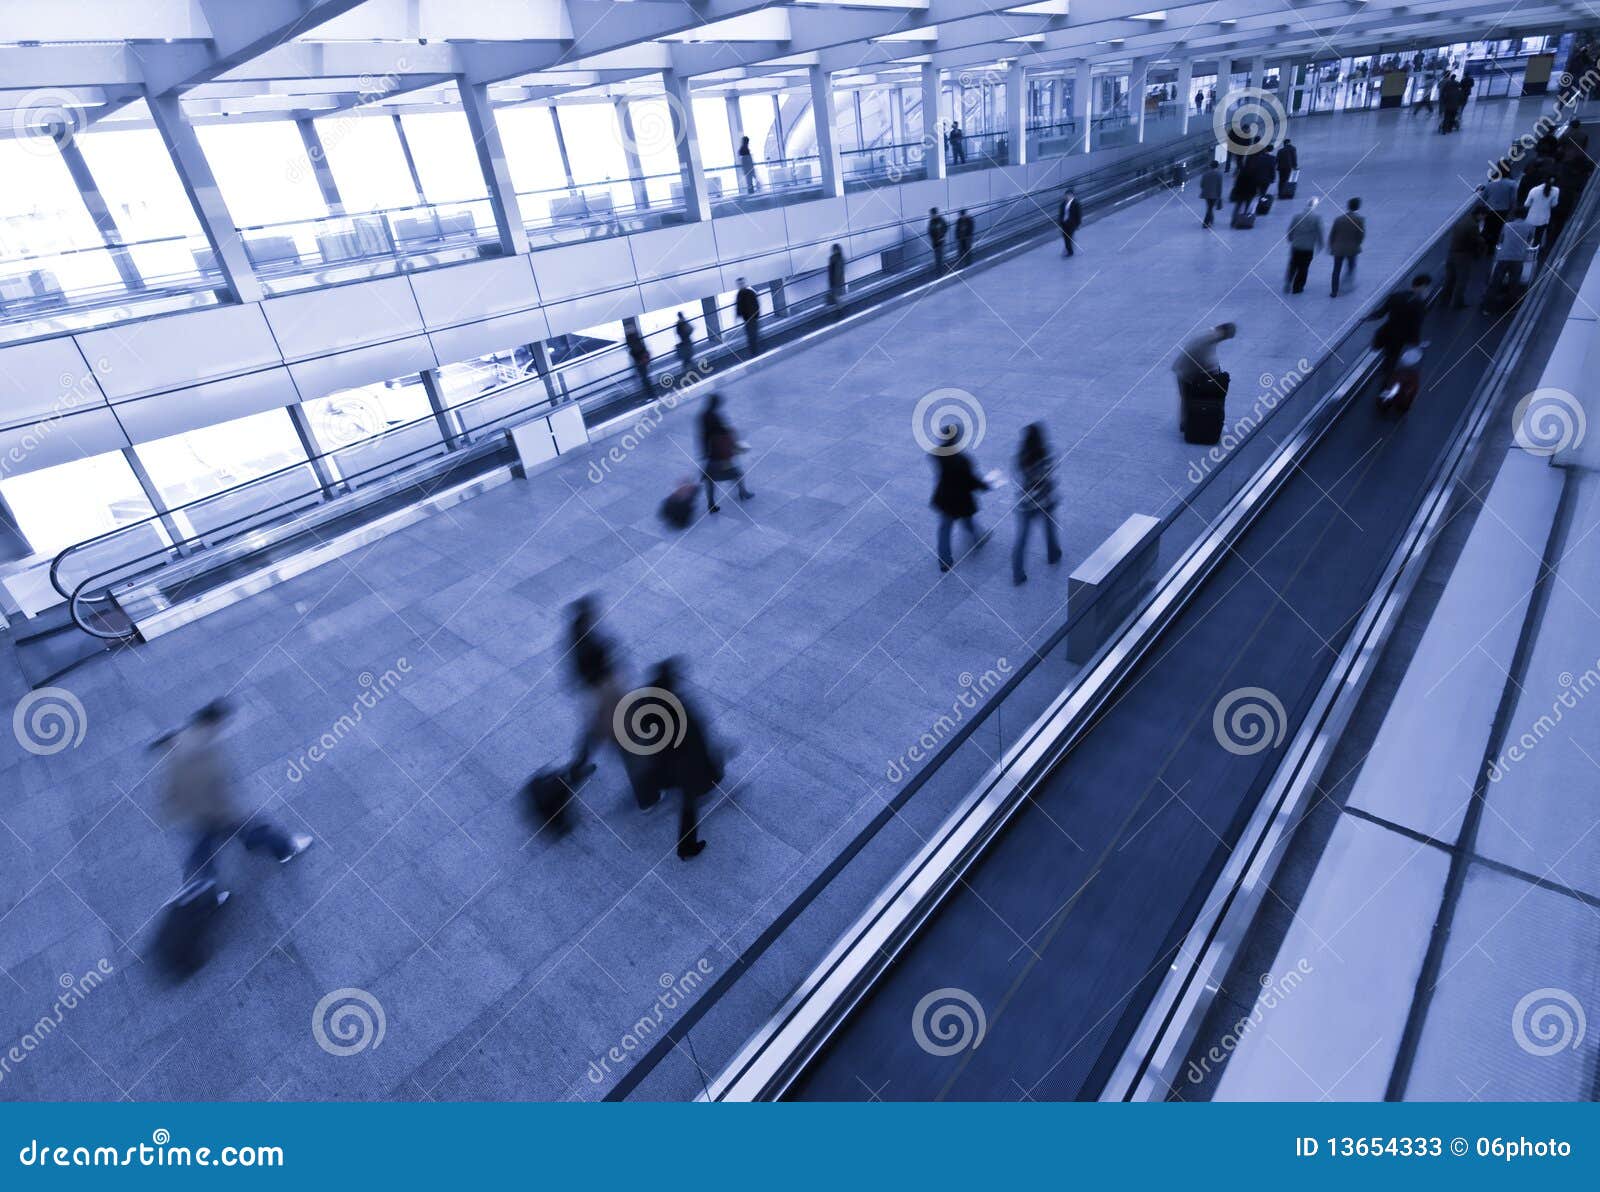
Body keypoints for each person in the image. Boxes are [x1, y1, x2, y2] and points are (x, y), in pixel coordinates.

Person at [160, 700, 312, 888]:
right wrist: (232, 813)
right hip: (213, 811)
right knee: (252, 827)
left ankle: (202, 885)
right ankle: (286, 849)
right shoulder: (206, 753)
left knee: (203, 846)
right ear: (214, 722)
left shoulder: (183, 737)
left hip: (189, 810)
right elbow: (214, 791)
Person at [642, 657, 721, 860]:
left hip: (663, 762)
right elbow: (694, 743)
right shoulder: (677, 710)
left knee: (676, 790)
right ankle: (686, 847)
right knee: (689, 805)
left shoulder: (649, 700)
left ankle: (651, 794)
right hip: (684, 766)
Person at [929, 424, 990, 573]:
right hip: (961, 499)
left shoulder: (937, 454)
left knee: (945, 529)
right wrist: (984, 485)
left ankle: (944, 560)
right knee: (967, 520)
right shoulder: (963, 460)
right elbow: (971, 481)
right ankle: (978, 539)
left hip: (945, 498)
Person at [1011, 423, 1062, 586]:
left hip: (1026, 503)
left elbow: (1018, 478)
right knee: (1049, 527)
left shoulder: (1020, 457)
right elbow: (1049, 473)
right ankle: (1053, 554)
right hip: (1045, 501)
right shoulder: (1046, 454)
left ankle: (1018, 573)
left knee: (1022, 539)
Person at [698, 393, 752, 513]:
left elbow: (703, 436)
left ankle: (711, 504)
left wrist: (704, 452)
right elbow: (724, 433)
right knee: (736, 473)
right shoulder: (715, 418)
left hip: (711, 454)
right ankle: (743, 492)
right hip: (720, 455)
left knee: (709, 479)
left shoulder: (703, 416)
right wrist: (734, 443)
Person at [1370, 274, 1431, 378]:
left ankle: (1385, 378)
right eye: (1427, 288)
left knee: (1389, 358)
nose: (1428, 291)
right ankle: (1390, 383)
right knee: (1399, 363)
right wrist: (1416, 343)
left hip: (1389, 333)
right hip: (1405, 339)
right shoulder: (1419, 304)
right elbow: (1416, 325)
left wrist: (1366, 318)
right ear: (1421, 287)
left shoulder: (1395, 296)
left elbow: (1381, 313)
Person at [1440, 209, 1484, 308]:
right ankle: (1456, 303)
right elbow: (1475, 241)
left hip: (1452, 253)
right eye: (1483, 216)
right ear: (1479, 214)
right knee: (1462, 280)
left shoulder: (1461, 222)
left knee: (1449, 278)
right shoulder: (1473, 225)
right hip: (1463, 255)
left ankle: (1443, 301)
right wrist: (1481, 245)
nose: (1483, 219)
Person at [1283, 197, 1324, 294]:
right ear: (1315, 205)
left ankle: (1288, 281)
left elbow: (1290, 229)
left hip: (1296, 245)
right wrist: (1320, 244)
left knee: (1293, 264)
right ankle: (1298, 287)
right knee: (1304, 267)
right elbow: (1319, 232)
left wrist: (1290, 238)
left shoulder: (1297, 216)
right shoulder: (1317, 218)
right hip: (1308, 247)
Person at [1328, 197, 1366, 297]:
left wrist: (1331, 245)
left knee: (1336, 269)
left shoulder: (1338, 219)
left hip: (1338, 248)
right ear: (1358, 207)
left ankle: (1334, 291)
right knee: (1351, 266)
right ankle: (1347, 284)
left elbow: (1332, 234)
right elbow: (1361, 235)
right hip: (1352, 248)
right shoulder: (1359, 219)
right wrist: (1358, 243)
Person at [1480, 164, 1518, 251]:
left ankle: (1484, 249)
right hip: (1503, 212)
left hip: (1490, 211)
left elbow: (1483, 198)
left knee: (1488, 230)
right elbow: (1513, 200)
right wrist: (1512, 214)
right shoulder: (1512, 184)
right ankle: (1493, 250)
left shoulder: (1490, 183)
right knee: (1498, 232)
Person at [1524, 177, 1559, 246]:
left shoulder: (1534, 190)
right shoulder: (1556, 191)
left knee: (1527, 237)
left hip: (1531, 218)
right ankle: (1535, 252)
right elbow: (1554, 204)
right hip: (1544, 219)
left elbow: (1526, 204)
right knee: (1538, 238)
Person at [624, 323, 652, 400]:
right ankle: (650, 394)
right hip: (642, 360)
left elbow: (635, 351)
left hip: (639, 361)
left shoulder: (632, 340)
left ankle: (650, 395)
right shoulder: (637, 338)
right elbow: (641, 348)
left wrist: (632, 354)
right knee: (645, 377)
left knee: (644, 378)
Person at [734, 278, 760, 355]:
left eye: (741, 283)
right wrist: (737, 316)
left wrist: (755, 316)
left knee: (752, 336)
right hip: (747, 319)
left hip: (752, 319)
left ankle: (754, 352)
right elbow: (739, 306)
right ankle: (754, 352)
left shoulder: (750, 293)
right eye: (739, 284)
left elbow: (756, 306)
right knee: (751, 336)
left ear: (744, 283)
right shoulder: (740, 294)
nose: (740, 285)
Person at [1199, 160, 1223, 228]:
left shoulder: (1205, 174)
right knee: (1210, 208)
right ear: (1217, 166)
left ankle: (1211, 219)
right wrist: (1219, 196)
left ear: (1210, 166)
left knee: (1209, 207)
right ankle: (1205, 223)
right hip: (1214, 194)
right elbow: (1219, 186)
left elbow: (1202, 185)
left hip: (1206, 194)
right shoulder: (1219, 175)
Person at [1058, 189, 1081, 255]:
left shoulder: (1076, 204)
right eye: (1066, 195)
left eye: (1069, 195)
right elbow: (1061, 214)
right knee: (1065, 237)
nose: (1067, 197)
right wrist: (1059, 222)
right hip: (1064, 223)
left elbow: (1079, 214)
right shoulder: (1062, 204)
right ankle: (1069, 247)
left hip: (1072, 223)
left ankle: (1070, 251)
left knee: (1068, 237)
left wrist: (1078, 224)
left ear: (1072, 196)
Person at [674, 311, 695, 382]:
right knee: (688, 358)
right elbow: (691, 329)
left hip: (683, 342)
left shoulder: (678, 324)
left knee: (686, 359)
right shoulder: (684, 321)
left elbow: (677, 333)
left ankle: (686, 374)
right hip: (688, 341)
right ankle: (691, 374)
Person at [827, 243, 846, 308]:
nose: (834, 251)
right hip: (838, 282)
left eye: (835, 250)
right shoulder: (840, 258)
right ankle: (840, 309)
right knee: (839, 299)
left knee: (838, 299)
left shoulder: (834, 258)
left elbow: (835, 272)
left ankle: (840, 310)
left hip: (836, 283)